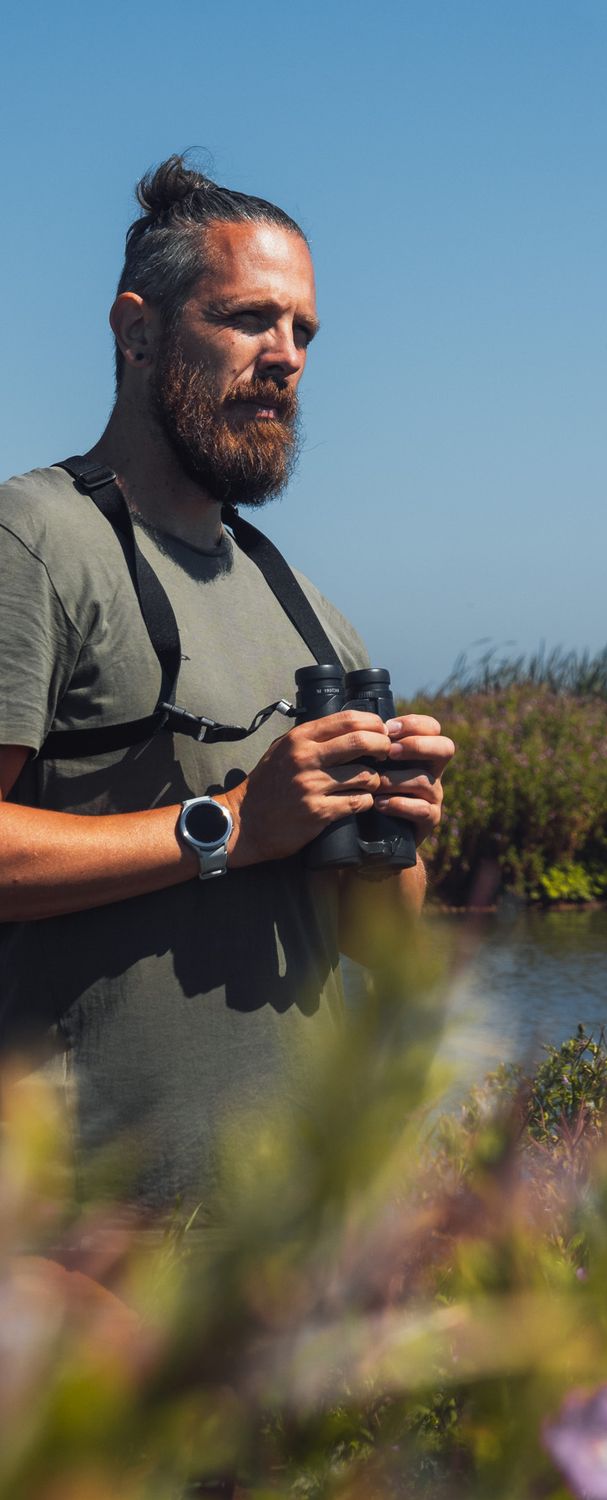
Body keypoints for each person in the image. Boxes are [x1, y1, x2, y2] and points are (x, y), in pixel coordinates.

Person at [0, 157, 455, 1213]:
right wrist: (234, 827)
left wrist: (393, 836)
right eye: (250, 319)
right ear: (137, 330)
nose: (285, 358)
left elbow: (386, 949)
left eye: (303, 332)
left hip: (283, 1239)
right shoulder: (36, 541)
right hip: (87, 1240)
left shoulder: (307, 609)